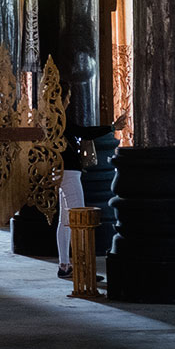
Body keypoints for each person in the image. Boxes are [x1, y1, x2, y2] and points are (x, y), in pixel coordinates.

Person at [56, 112, 126, 279]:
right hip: (69, 173)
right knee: (81, 221)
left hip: (60, 172)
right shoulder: (59, 118)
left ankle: (64, 265)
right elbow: (84, 132)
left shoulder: (51, 118)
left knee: (65, 221)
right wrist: (111, 127)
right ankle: (83, 270)